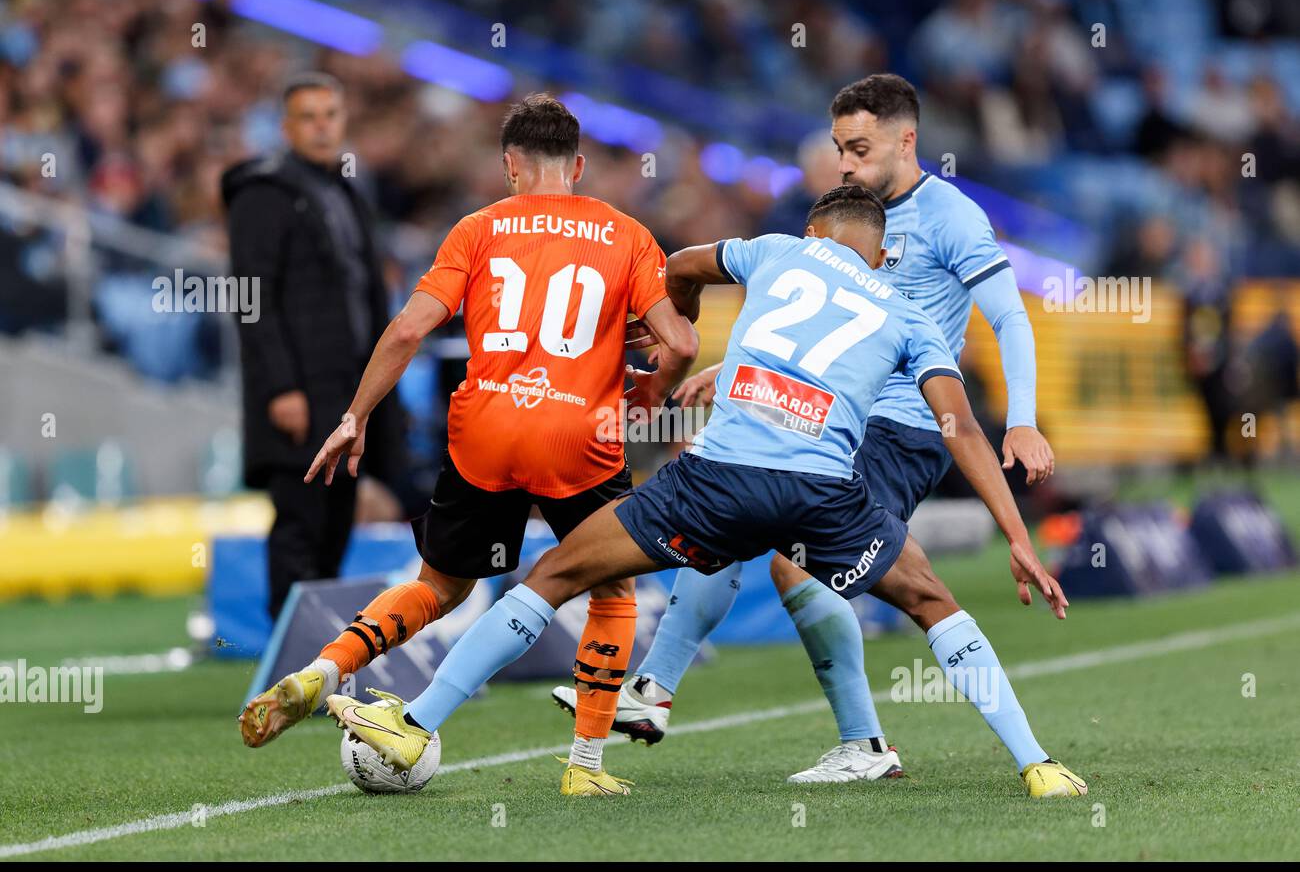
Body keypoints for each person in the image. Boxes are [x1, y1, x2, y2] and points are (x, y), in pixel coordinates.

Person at [328, 185, 1087, 799]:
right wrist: (1018, 537)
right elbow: (958, 427)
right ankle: (1038, 764)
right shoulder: (910, 315)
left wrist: (682, 318)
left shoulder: (774, 251)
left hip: (716, 482)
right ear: (883, 254)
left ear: (815, 232)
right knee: (933, 604)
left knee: (555, 575)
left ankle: (419, 722)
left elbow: (681, 265)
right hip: (822, 494)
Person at [556, 73, 1056, 784]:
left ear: (906, 140)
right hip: (825, 415)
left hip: (898, 426)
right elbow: (816, 329)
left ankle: (859, 742)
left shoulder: (953, 217)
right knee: (736, 494)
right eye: (839, 149)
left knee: (793, 553)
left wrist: (1025, 422)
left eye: (858, 148)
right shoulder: (847, 222)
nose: (845, 163)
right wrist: (731, 370)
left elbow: (1008, 316)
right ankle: (656, 691)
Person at [238, 95, 698, 800]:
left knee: (441, 586)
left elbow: (404, 332)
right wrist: (641, 401)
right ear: (577, 165)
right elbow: (683, 343)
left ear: (510, 166)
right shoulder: (626, 234)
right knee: (612, 591)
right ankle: (584, 766)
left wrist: (355, 416)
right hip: (578, 436)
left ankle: (322, 671)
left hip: (484, 432)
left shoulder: (477, 229)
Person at [222, 72, 407, 622]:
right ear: (286, 127)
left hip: (349, 389)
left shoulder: (346, 191)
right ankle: (286, 660)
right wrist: (281, 387)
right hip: (302, 392)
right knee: (299, 524)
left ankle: (315, 657)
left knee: (334, 523)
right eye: (309, 116)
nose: (323, 127)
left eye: (331, 114)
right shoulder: (264, 193)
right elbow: (250, 297)